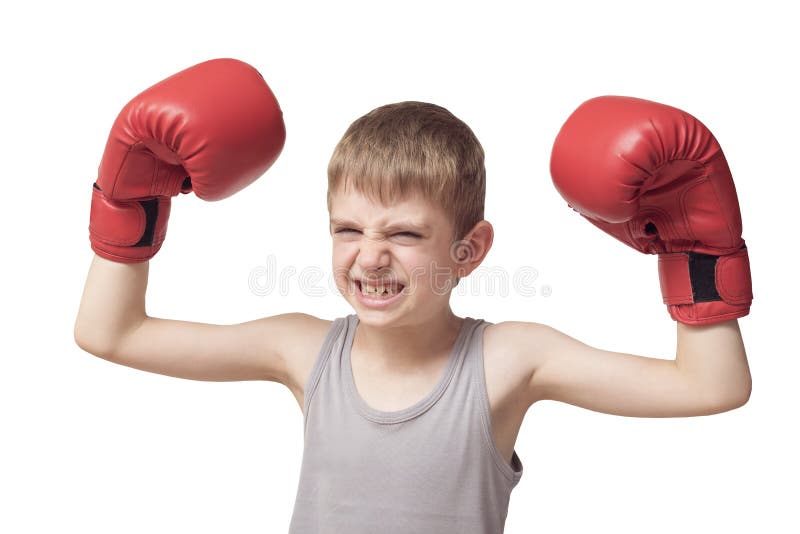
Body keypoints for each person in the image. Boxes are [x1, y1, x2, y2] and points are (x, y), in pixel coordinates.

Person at [74, 59, 753, 534]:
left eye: (404, 233)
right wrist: (130, 204)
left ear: (469, 250)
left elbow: (709, 387)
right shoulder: (304, 349)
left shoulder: (508, 360)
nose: (370, 255)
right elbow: (112, 333)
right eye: (348, 229)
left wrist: (695, 256)